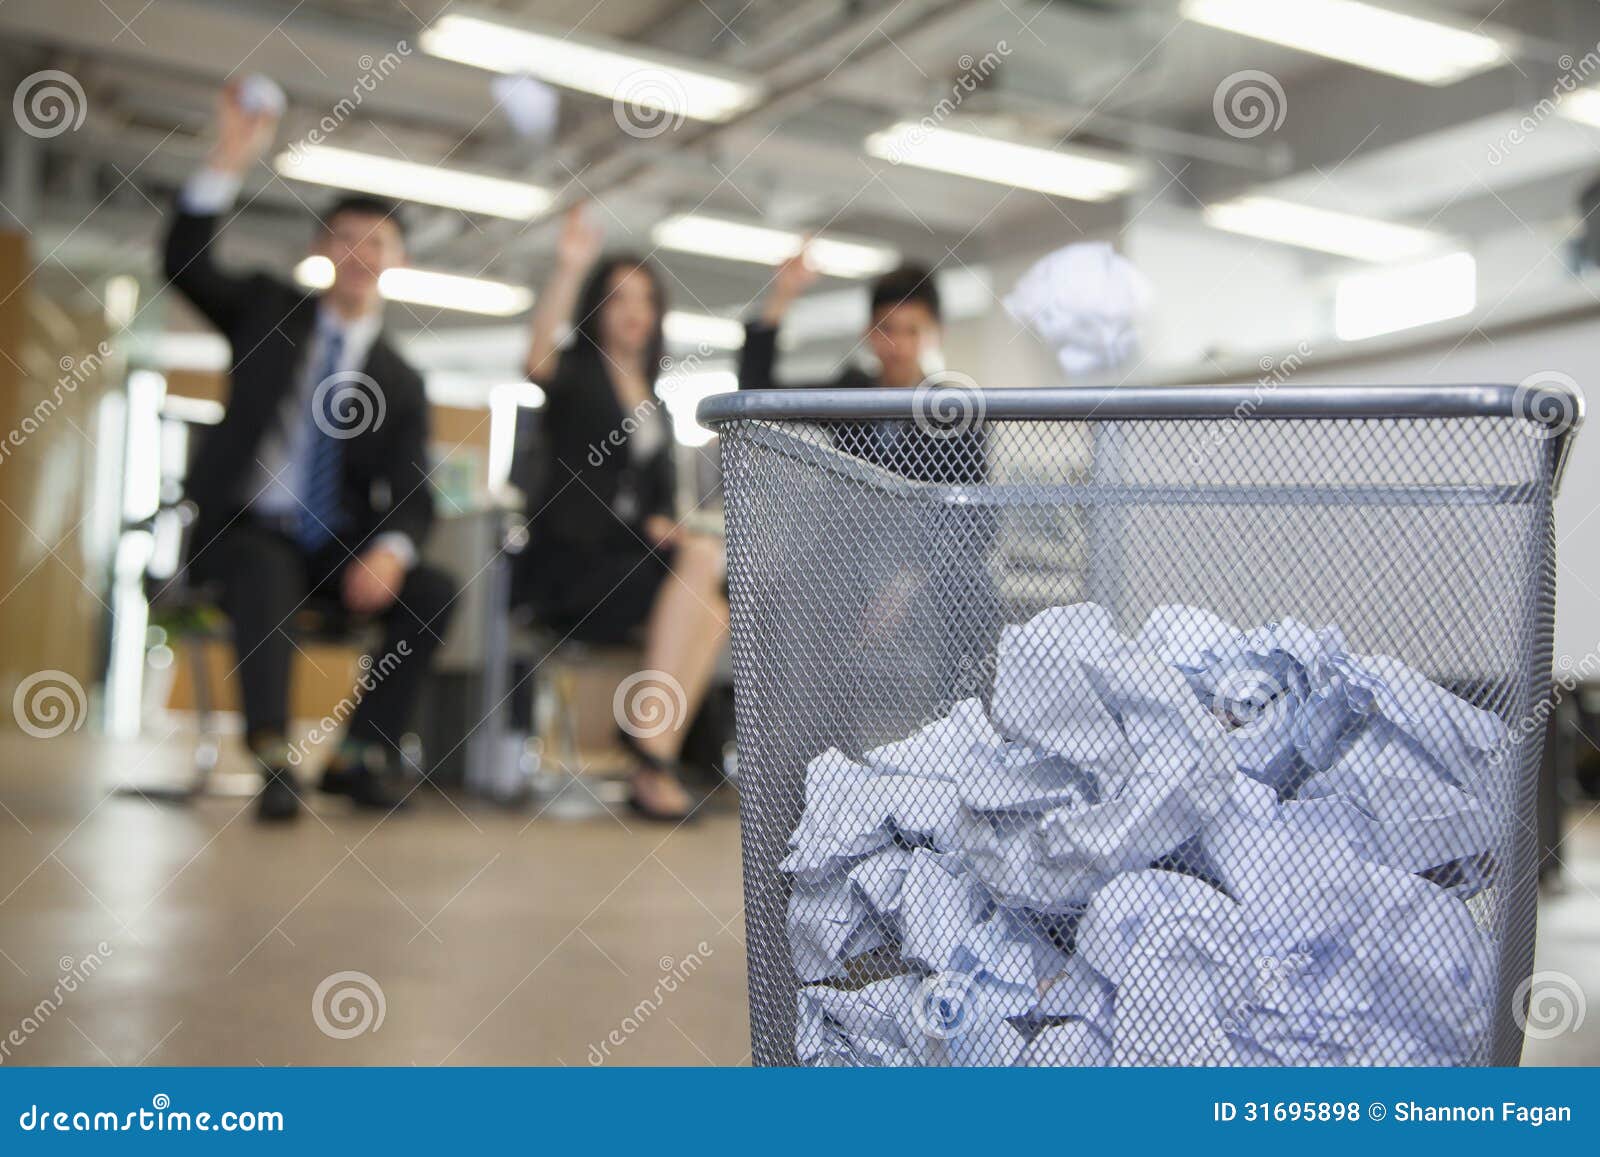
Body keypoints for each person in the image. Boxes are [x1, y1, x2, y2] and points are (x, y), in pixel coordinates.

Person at [163, 83, 456, 823]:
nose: (360, 255)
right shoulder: (267, 310)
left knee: (433, 588)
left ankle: (358, 758)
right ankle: (271, 755)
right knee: (264, 567)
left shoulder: (402, 378)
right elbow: (184, 264)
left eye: (377, 243)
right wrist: (229, 158)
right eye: (346, 239)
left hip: (334, 547)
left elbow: (415, 491)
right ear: (322, 249)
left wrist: (390, 549)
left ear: (398, 260)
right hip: (246, 531)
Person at [521, 204, 728, 822]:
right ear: (597, 309)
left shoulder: (660, 403)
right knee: (703, 564)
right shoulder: (580, 379)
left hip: (632, 565)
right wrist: (568, 267)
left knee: (714, 606)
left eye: (644, 300)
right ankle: (651, 757)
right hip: (575, 565)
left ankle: (653, 752)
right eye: (617, 299)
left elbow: (656, 503)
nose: (633, 312)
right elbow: (535, 360)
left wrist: (665, 526)